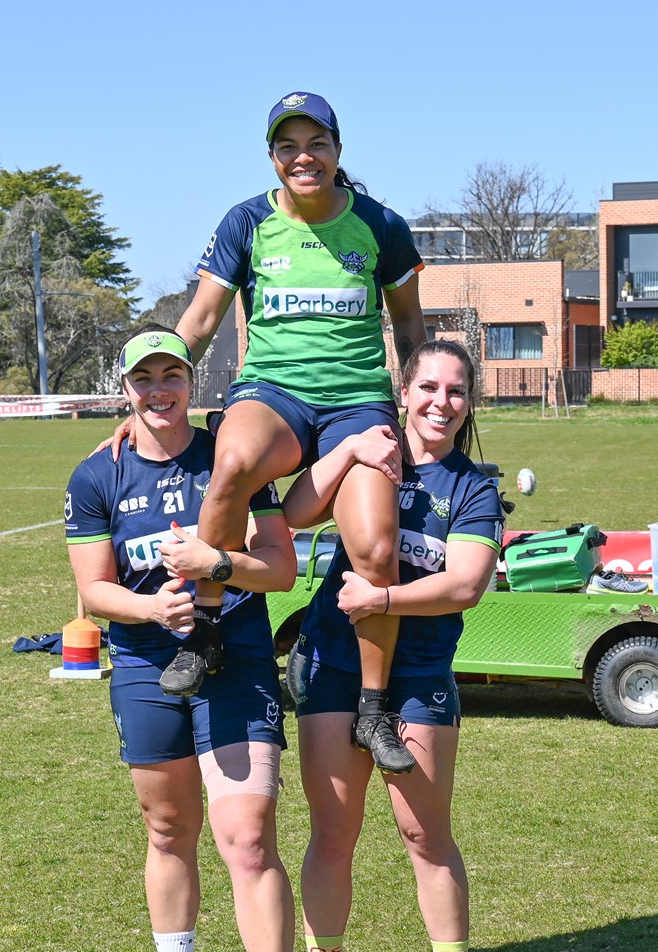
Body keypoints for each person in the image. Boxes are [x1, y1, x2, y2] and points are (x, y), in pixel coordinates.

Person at [64, 326, 304, 952]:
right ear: (125, 389)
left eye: (173, 374)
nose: (159, 389)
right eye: (145, 378)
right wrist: (150, 614)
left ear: (192, 383)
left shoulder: (231, 457)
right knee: (167, 829)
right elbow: (94, 589)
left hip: (234, 660)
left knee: (248, 834)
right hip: (143, 664)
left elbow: (281, 569)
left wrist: (219, 565)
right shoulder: (95, 476)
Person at [165, 90, 428, 775]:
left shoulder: (380, 225)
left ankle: (373, 708)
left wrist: (410, 412)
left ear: (339, 152)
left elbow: (409, 329)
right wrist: (146, 395)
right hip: (274, 395)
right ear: (273, 157)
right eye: (288, 147)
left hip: (357, 404)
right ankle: (209, 628)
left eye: (316, 144)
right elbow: (198, 323)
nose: (302, 157)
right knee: (233, 462)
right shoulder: (247, 221)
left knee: (374, 546)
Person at [282, 339, 503, 952]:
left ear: (469, 404)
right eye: (429, 387)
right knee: (334, 831)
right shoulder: (368, 452)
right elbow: (292, 512)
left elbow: (466, 584)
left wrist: (382, 602)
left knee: (424, 832)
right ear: (403, 392)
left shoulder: (473, 487)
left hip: (418, 677)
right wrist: (347, 453)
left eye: (457, 391)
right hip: (333, 665)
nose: (442, 401)